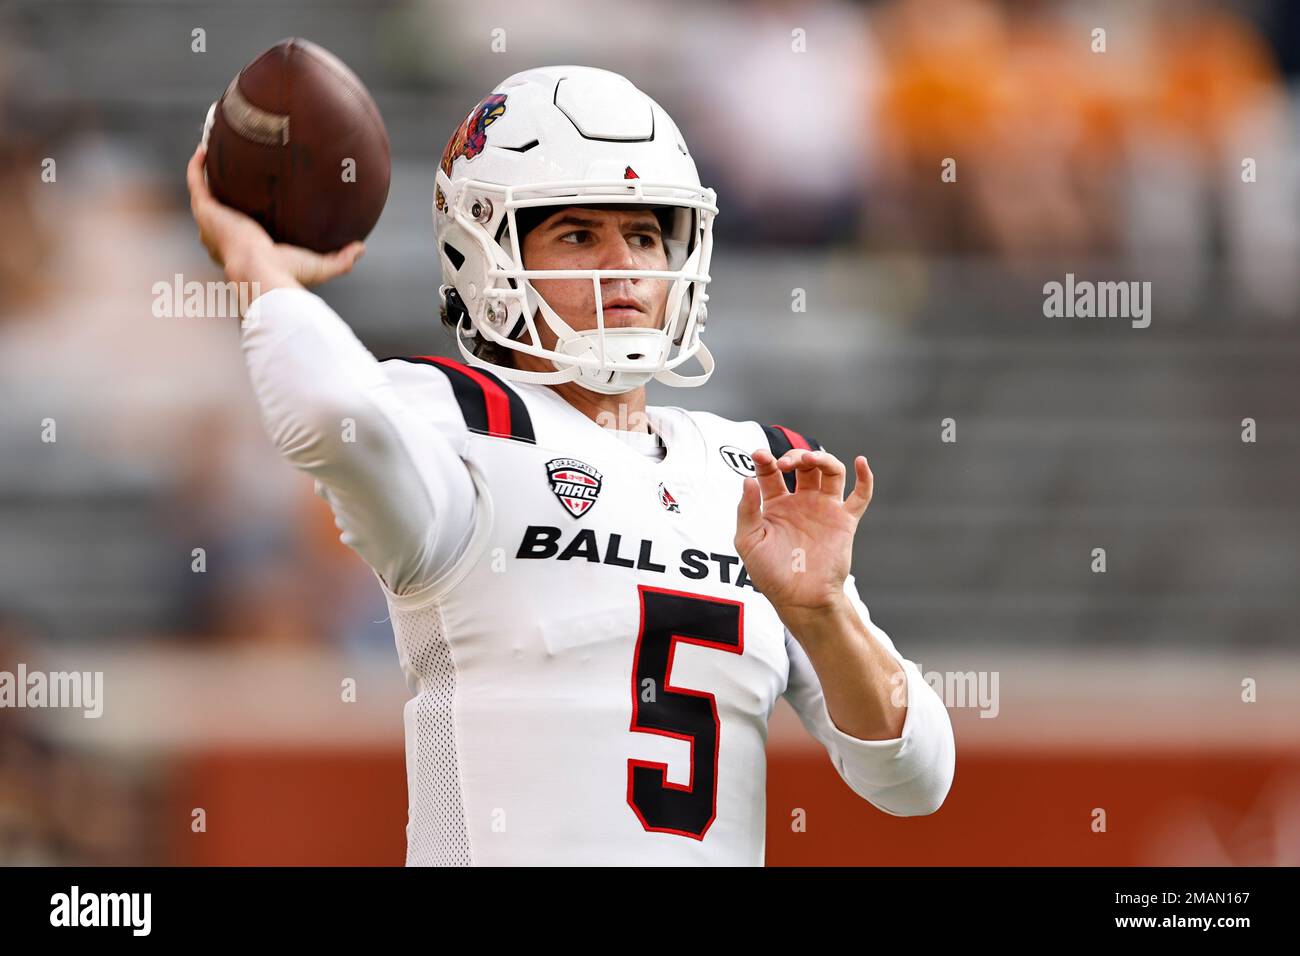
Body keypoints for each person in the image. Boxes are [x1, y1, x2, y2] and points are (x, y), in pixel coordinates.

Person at [187, 65, 954, 866]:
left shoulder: (752, 469)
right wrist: (258, 264)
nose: (624, 265)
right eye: (580, 233)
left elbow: (914, 778)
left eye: (648, 234)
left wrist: (825, 614)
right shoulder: (460, 418)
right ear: (484, 256)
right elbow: (327, 413)